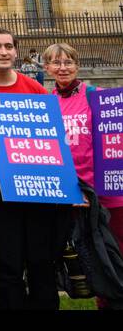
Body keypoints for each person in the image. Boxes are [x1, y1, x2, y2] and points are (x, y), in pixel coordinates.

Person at [0, 28, 69, 310]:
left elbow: (53, 137)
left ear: (16, 52)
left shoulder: (34, 87)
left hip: (37, 182)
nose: (3, 51)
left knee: (41, 259)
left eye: (8, 46)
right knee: (7, 260)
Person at [45, 41, 123, 308]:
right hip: (70, 194)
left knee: (116, 257)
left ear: (77, 65)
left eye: (68, 62)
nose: (63, 68)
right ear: (47, 68)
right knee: (91, 260)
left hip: (105, 195)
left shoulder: (96, 96)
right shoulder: (46, 104)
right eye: (56, 63)